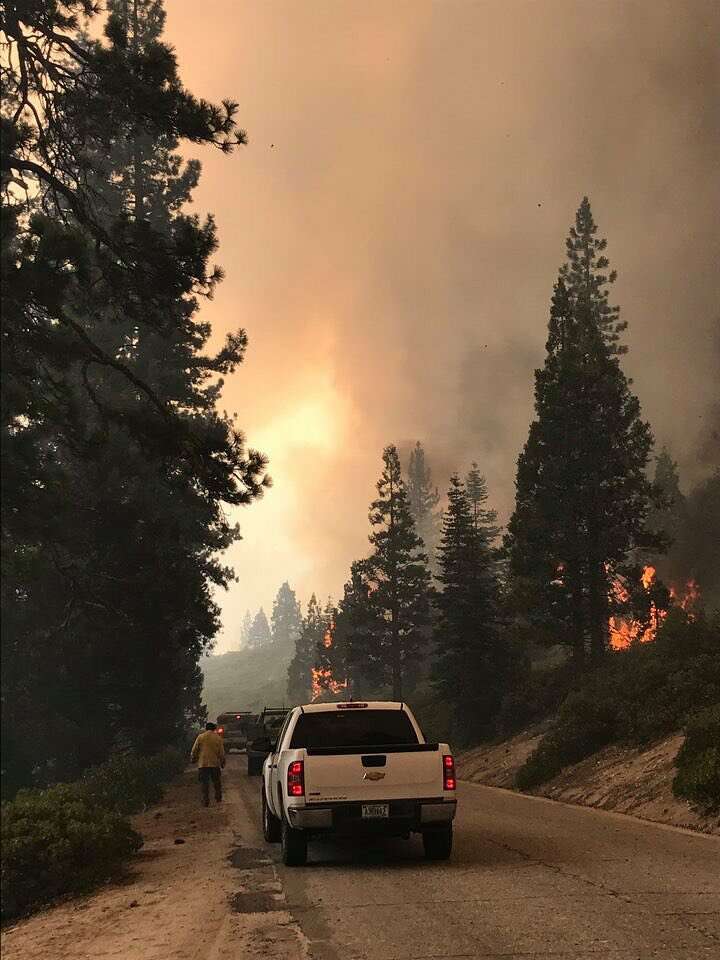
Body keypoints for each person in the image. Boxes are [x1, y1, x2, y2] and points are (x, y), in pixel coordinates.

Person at [190, 721, 226, 806]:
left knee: (204, 783)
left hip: (203, 764)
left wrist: (193, 759)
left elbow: (194, 750)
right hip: (214, 764)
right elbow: (221, 753)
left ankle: (205, 800)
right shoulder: (218, 738)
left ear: (206, 728)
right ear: (214, 728)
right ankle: (218, 798)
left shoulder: (200, 737)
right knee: (216, 782)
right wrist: (222, 762)